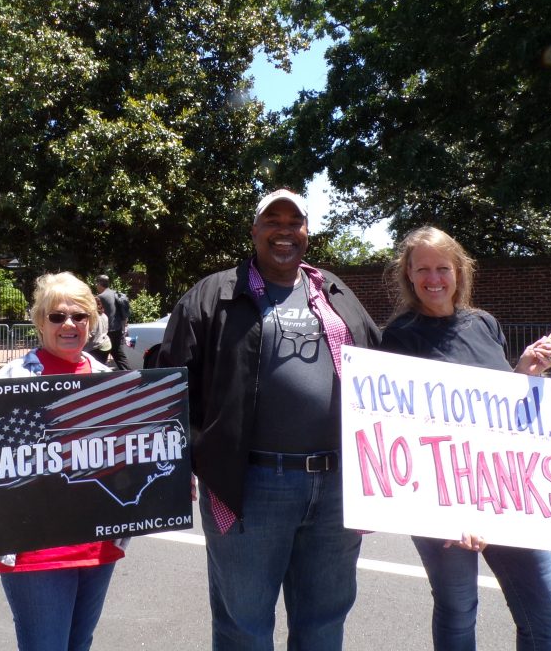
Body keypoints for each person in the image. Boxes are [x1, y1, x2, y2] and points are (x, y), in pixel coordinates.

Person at [155, 188, 381, 651]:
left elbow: (385, 368)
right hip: (250, 484)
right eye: (271, 221)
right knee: (245, 624)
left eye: (293, 222)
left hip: (336, 486)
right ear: (254, 231)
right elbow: (171, 384)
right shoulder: (212, 295)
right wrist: (181, 463)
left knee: (324, 620)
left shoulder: (334, 292)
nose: (284, 231)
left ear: (307, 232)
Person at [379, 226, 551, 651]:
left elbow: (495, 409)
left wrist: (523, 373)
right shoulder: (399, 337)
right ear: (408, 274)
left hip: (505, 493)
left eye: (442, 267)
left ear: (459, 271)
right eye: (422, 268)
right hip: (442, 503)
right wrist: (459, 512)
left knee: (546, 610)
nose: (434, 278)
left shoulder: (484, 324)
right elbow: (404, 432)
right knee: (459, 609)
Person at [0, 272, 126, 650]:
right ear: (40, 322)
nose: (69, 324)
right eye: (57, 316)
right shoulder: (13, 378)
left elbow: (126, 450)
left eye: (79, 316)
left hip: (97, 548)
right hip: (35, 551)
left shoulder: (106, 379)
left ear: (92, 322)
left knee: (79, 644)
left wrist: (169, 474)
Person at [94, 275, 130, 370]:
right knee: (117, 354)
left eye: (96, 284)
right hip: (117, 329)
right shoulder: (114, 293)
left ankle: (97, 375)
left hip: (108, 331)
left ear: (99, 284)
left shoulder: (100, 297)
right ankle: (129, 373)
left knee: (100, 355)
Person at [84, 297, 112, 365]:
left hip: (96, 348)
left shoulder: (93, 317)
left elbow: (92, 333)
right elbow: (106, 329)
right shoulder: (104, 315)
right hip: (106, 344)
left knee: (94, 367)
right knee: (102, 365)